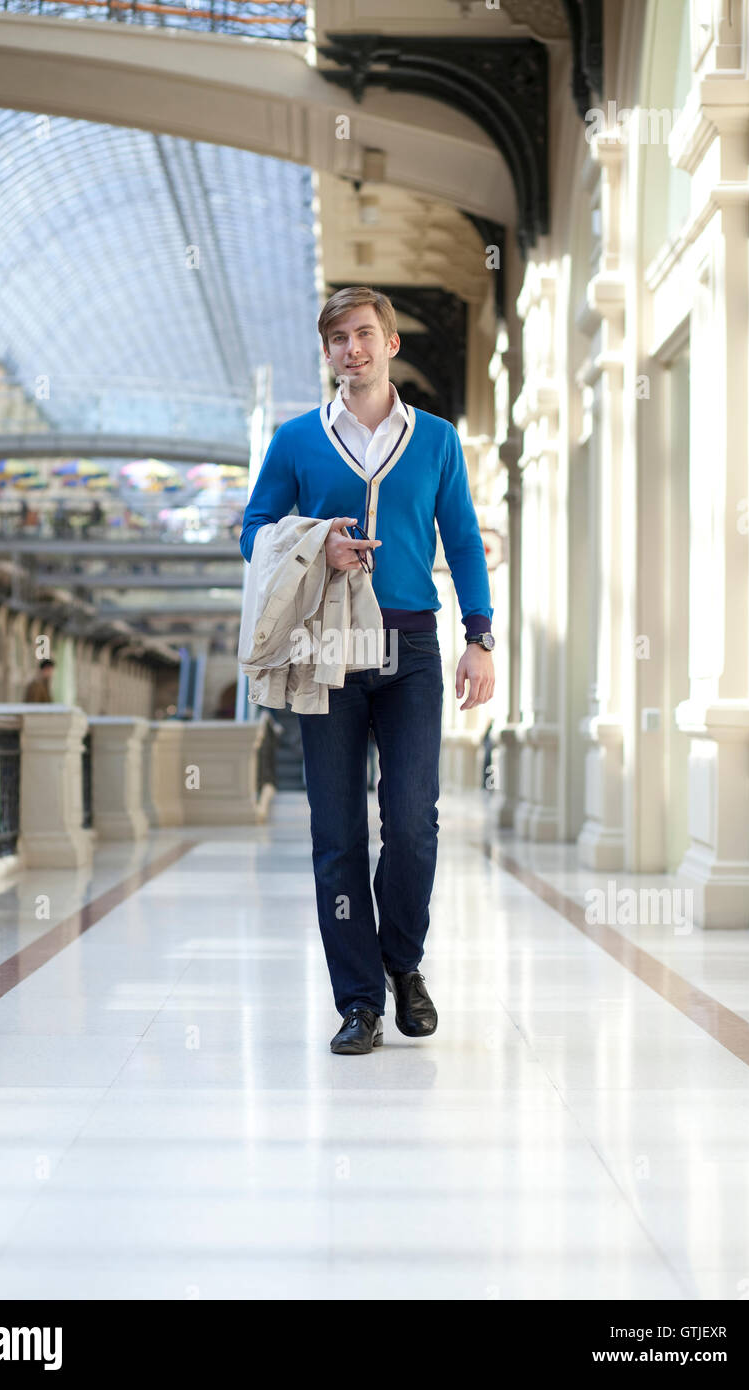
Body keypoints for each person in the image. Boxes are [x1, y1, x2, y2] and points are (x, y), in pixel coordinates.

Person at [240, 286, 496, 1055]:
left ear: (390, 345)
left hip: (413, 647)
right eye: (337, 339)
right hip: (327, 648)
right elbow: (253, 530)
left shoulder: (439, 440)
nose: (350, 348)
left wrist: (478, 637)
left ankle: (401, 962)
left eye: (363, 334)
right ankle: (358, 1003)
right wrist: (320, 544)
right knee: (337, 832)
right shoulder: (295, 441)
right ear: (326, 354)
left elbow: (465, 539)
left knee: (413, 821)